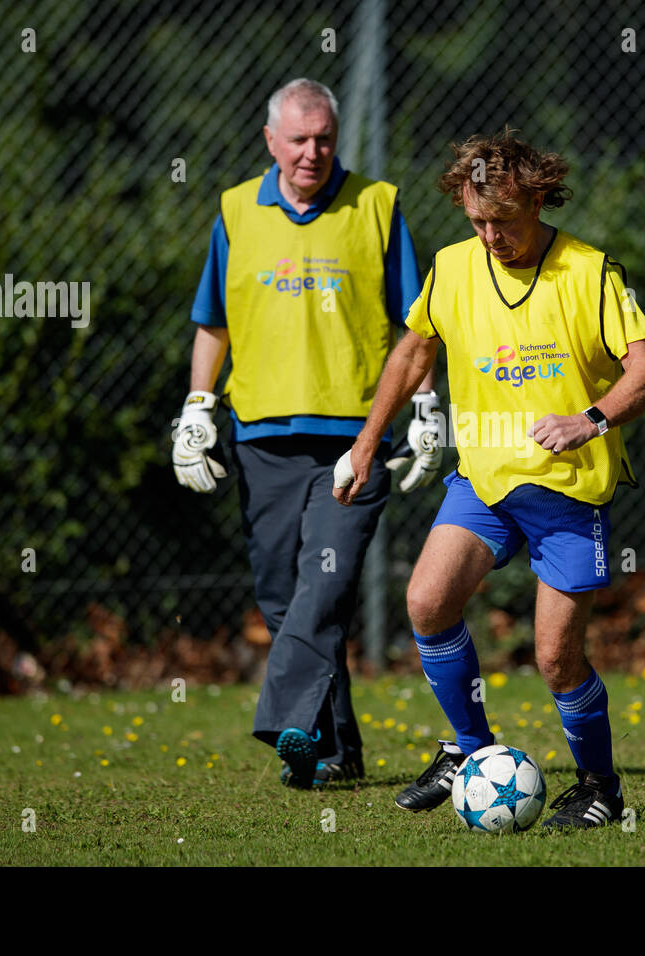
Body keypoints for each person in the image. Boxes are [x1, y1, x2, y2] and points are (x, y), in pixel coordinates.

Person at [334, 131, 645, 827]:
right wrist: (368, 441)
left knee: (555, 659)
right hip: (484, 480)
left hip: (570, 489)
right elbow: (412, 352)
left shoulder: (589, 272)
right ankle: (469, 749)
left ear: (538, 198)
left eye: (504, 220)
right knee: (427, 602)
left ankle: (600, 788)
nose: (489, 235)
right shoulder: (454, 268)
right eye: (476, 220)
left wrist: (592, 419)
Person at [171, 78, 440, 790]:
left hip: (357, 436)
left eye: (324, 138)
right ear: (271, 141)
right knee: (286, 599)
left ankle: (286, 722)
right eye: (298, 139)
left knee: (326, 582)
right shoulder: (234, 212)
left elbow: (418, 324)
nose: (312, 153)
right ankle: (331, 750)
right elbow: (213, 321)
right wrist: (197, 407)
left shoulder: (376, 207)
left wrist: (427, 409)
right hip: (260, 436)